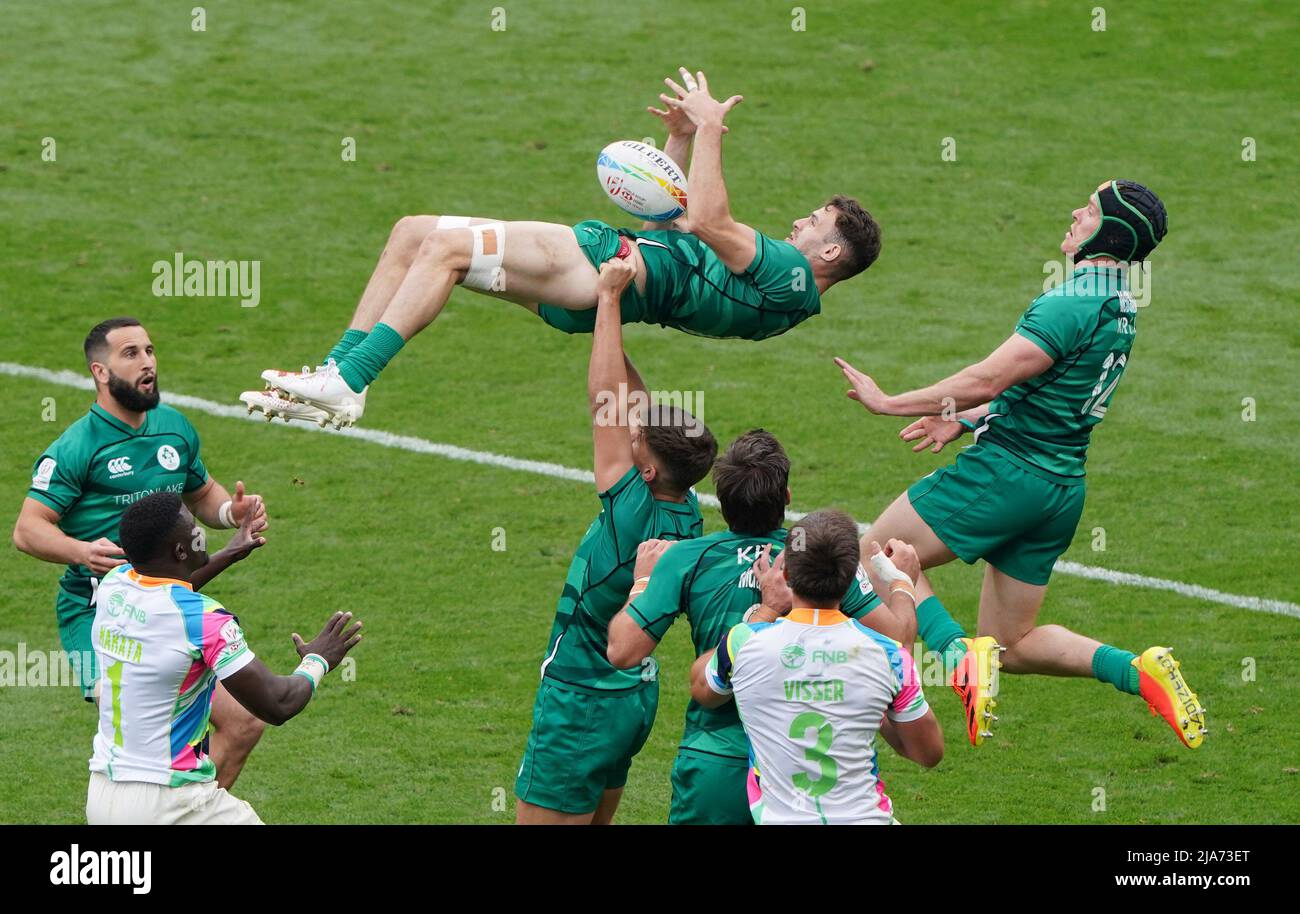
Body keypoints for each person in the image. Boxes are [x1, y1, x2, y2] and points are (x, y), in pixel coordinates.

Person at [243, 69, 881, 428]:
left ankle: (351, 382)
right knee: (412, 232)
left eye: (816, 222)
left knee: (442, 248)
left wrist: (713, 124)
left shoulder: (793, 278)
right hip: (604, 278)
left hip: (593, 266)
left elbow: (709, 218)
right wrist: (679, 143)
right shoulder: (772, 286)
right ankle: (334, 373)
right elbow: (677, 220)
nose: (801, 221)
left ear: (829, 256)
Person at [834, 180, 1205, 749]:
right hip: (1060, 489)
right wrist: (964, 419)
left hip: (1007, 473)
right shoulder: (1120, 303)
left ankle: (958, 658)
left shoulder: (1072, 299)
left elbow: (989, 377)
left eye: (1090, 208)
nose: (1076, 211)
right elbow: (1049, 390)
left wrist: (890, 402)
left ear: (1109, 231)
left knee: (875, 555)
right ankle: (1140, 672)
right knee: (1012, 644)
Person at [605, 430, 921, 824]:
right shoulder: (818, 555)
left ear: (722, 504)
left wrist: (644, 583)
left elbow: (621, 651)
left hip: (717, 766)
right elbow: (897, 644)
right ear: (786, 496)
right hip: (799, 770)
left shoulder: (685, 559)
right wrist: (904, 584)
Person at [13, 317, 272, 787]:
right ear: (100, 371)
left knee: (243, 722)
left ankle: (189, 813)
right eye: (130, 354)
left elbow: (202, 494)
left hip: (165, 602)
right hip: (98, 611)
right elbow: (28, 528)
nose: (147, 362)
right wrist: (79, 551)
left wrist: (233, 514)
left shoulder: (174, 428)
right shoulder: (76, 447)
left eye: (150, 350)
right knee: (145, 747)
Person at [516, 257, 717, 825]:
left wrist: (607, 299)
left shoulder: (631, 509)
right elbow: (633, 403)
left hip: (581, 699)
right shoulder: (688, 514)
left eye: (637, 442)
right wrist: (610, 319)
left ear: (646, 471)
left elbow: (607, 399)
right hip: (632, 700)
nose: (628, 432)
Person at [86, 493, 362, 824]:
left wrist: (231, 552)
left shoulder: (114, 586)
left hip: (103, 794)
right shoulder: (205, 621)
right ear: (179, 551)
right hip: (171, 801)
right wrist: (318, 661)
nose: (201, 531)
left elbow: (169, 589)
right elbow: (277, 703)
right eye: (194, 528)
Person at [692, 509, 943, 825]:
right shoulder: (888, 655)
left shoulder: (742, 644)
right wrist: (902, 584)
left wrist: (766, 610)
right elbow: (927, 753)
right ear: (853, 578)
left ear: (785, 576)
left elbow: (704, 690)